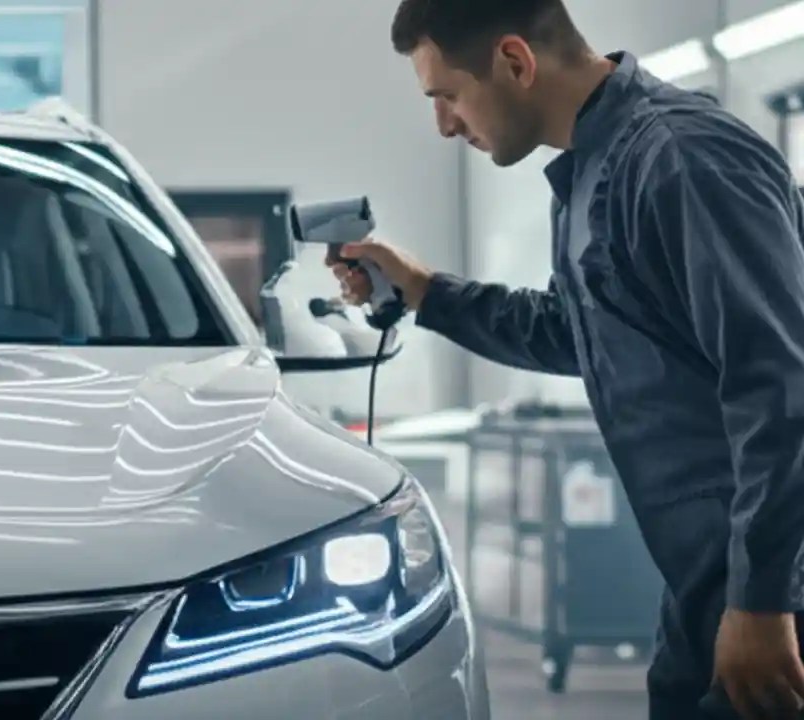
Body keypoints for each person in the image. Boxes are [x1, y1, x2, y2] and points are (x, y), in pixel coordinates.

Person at [329, 1, 804, 718]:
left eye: (447, 95)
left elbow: (781, 387)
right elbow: (570, 330)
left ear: (515, 61)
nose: (445, 125)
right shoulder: (591, 175)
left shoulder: (683, 160)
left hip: (776, 588)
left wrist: (764, 600)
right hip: (707, 581)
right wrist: (424, 292)